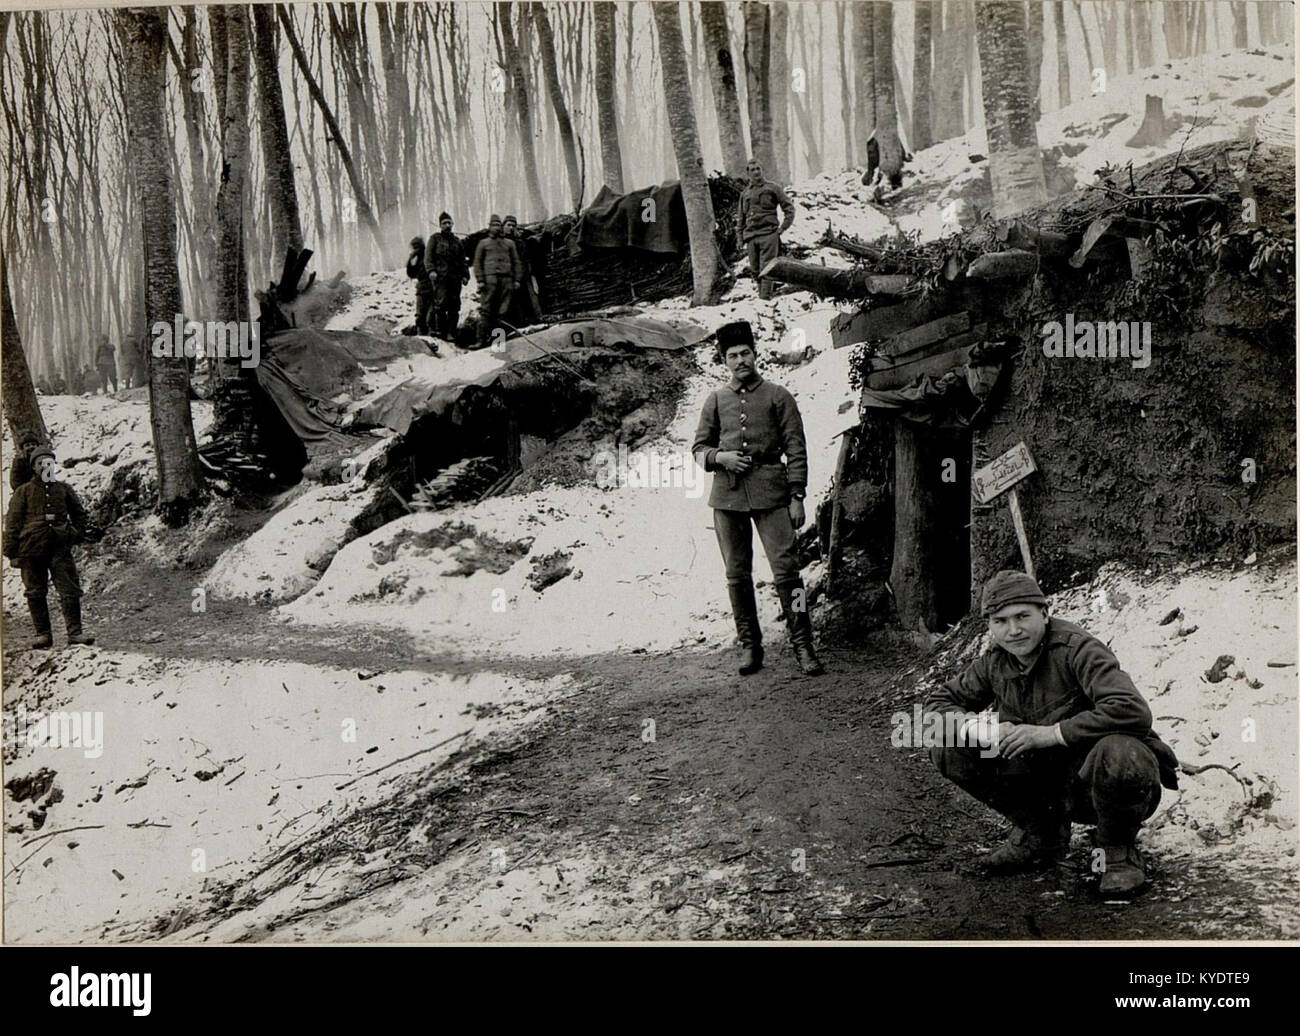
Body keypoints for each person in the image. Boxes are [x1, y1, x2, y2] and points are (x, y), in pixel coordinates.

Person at [924, 570, 1180, 895]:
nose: (1013, 630)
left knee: (1120, 750)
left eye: (1022, 617)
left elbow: (1132, 710)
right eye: (1000, 621)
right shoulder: (995, 662)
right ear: (989, 626)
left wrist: (1048, 734)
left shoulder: (1076, 648)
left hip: (1097, 783)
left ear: (1044, 613)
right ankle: (1040, 836)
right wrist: (980, 729)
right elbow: (937, 706)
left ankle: (1117, 852)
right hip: (1041, 782)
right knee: (947, 742)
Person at [692, 320, 824, 677]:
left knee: (787, 570)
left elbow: (796, 449)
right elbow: (699, 448)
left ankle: (803, 645)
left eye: (745, 353)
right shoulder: (716, 400)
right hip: (728, 496)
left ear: (756, 353)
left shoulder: (778, 396)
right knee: (736, 573)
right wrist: (720, 457)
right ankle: (750, 646)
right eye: (732, 356)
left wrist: (797, 495)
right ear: (724, 360)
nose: (740, 361)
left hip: (772, 493)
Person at [3, 444, 95, 648]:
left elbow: (79, 514)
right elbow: (12, 523)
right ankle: (43, 634)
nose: (45, 466)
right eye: (40, 463)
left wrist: (75, 534)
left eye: (49, 462)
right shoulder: (23, 492)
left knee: (69, 589)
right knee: (35, 591)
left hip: (59, 548)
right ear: (34, 467)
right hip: (31, 549)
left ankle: (75, 633)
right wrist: (10, 552)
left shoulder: (64, 489)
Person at [737, 158, 795, 301]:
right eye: (752, 170)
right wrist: (740, 239)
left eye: (758, 169)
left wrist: (783, 228)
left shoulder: (773, 188)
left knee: (767, 268)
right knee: (755, 269)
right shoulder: (744, 194)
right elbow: (740, 219)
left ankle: (764, 300)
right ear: (748, 173)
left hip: (768, 234)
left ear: (762, 170)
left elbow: (789, 208)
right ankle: (763, 294)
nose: (756, 172)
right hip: (751, 236)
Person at [472, 214, 521, 350]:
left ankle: (498, 342)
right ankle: (480, 340)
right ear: (489, 227)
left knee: (503, 312)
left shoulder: (509, 244)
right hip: (490, 281)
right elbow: (477, 263)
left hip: (507, 280)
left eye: (499, 225)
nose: (497, 228)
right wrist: (481, 280)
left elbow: (516, 262)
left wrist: (516, 280)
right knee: (486, 311)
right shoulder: (483, 243)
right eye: (494, 225)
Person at [424, 211, 470, 341]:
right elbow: (428, 257)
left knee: (454, 306)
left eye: (449, 223)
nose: (447, 225)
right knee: (440, 305)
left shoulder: (457, 242)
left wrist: (465, 275)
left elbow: (462, 260)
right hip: (440, 278)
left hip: (455, 279)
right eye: (444, 223)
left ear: (452, 224)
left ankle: (451, 333)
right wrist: (431, 271)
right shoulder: (435, 239)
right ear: (440, 225)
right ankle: (441, 332)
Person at [502, 214, 542, 325]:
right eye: (508, 225)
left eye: (513, 225)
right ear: (503, 226)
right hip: (507, 275)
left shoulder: (519, 242)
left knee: (526, 298)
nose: (511, 228)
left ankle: (529, 321)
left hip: (522, 274)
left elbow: (525, 257)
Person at [406, 236, 435, 335]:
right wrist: (410, 261)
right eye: (414, 246)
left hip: (432, 288)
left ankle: (431, 334)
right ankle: (421, 334)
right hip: (421, 289)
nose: (416, 248)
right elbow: (411, 274)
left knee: (431, 315)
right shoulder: (416, 258)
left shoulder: (429, 254)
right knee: (420, 315)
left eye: (417, 246)